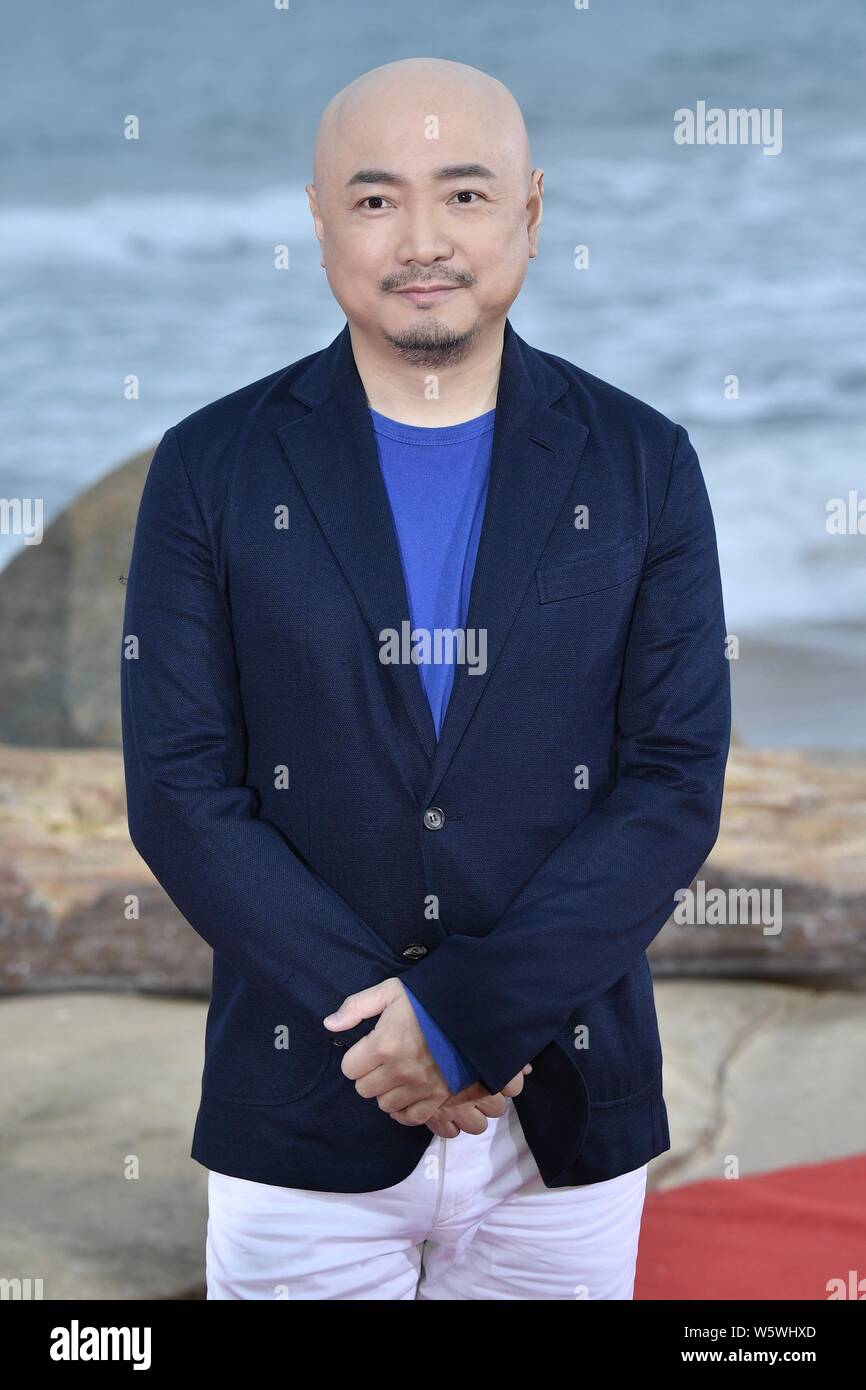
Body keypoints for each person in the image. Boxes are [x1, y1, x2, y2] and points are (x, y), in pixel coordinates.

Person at [120, 56, 731, 1300]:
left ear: (531, 212)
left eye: (462, 194)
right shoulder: (209, 467)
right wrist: (388, 1028)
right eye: (374, 198)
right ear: (318, 219)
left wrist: (468, 1018)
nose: (420, 240)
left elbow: (669, 782)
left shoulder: (642, 463)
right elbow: (181, 788)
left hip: (564, 1110)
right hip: (302, 1103)